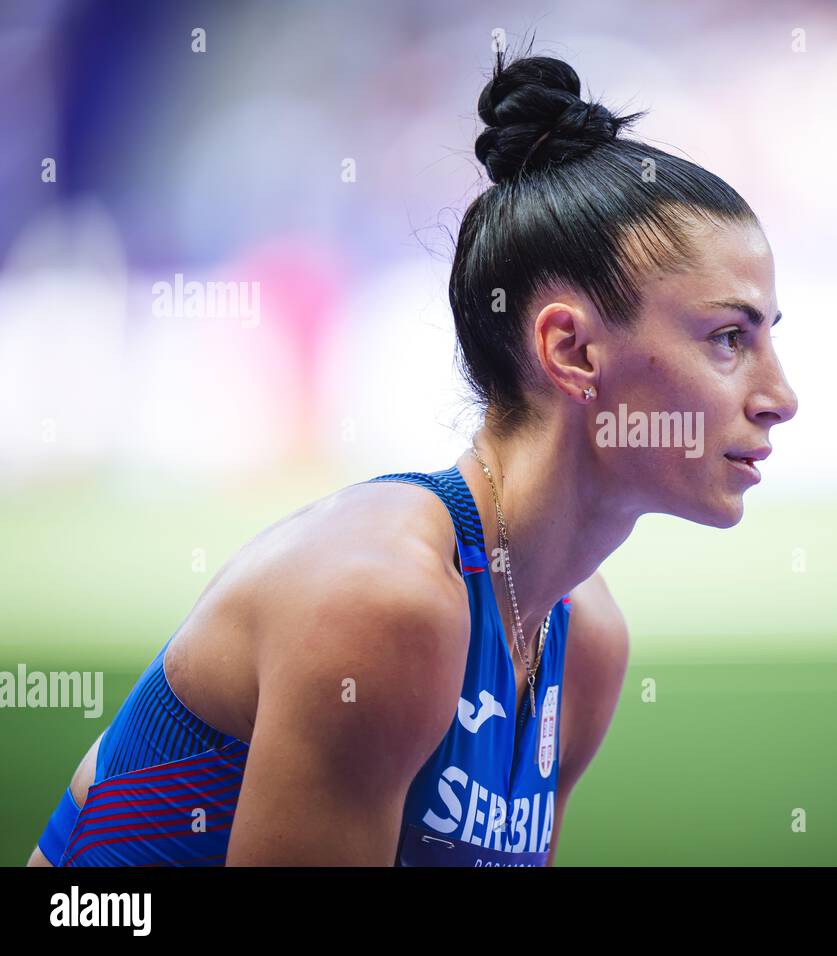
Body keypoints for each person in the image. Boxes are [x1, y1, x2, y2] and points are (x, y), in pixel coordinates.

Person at [28, 40, 797, 867]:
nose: (780, 397)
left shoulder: (586, 643)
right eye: (728, 338)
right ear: (571, 351)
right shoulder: (383, 603)